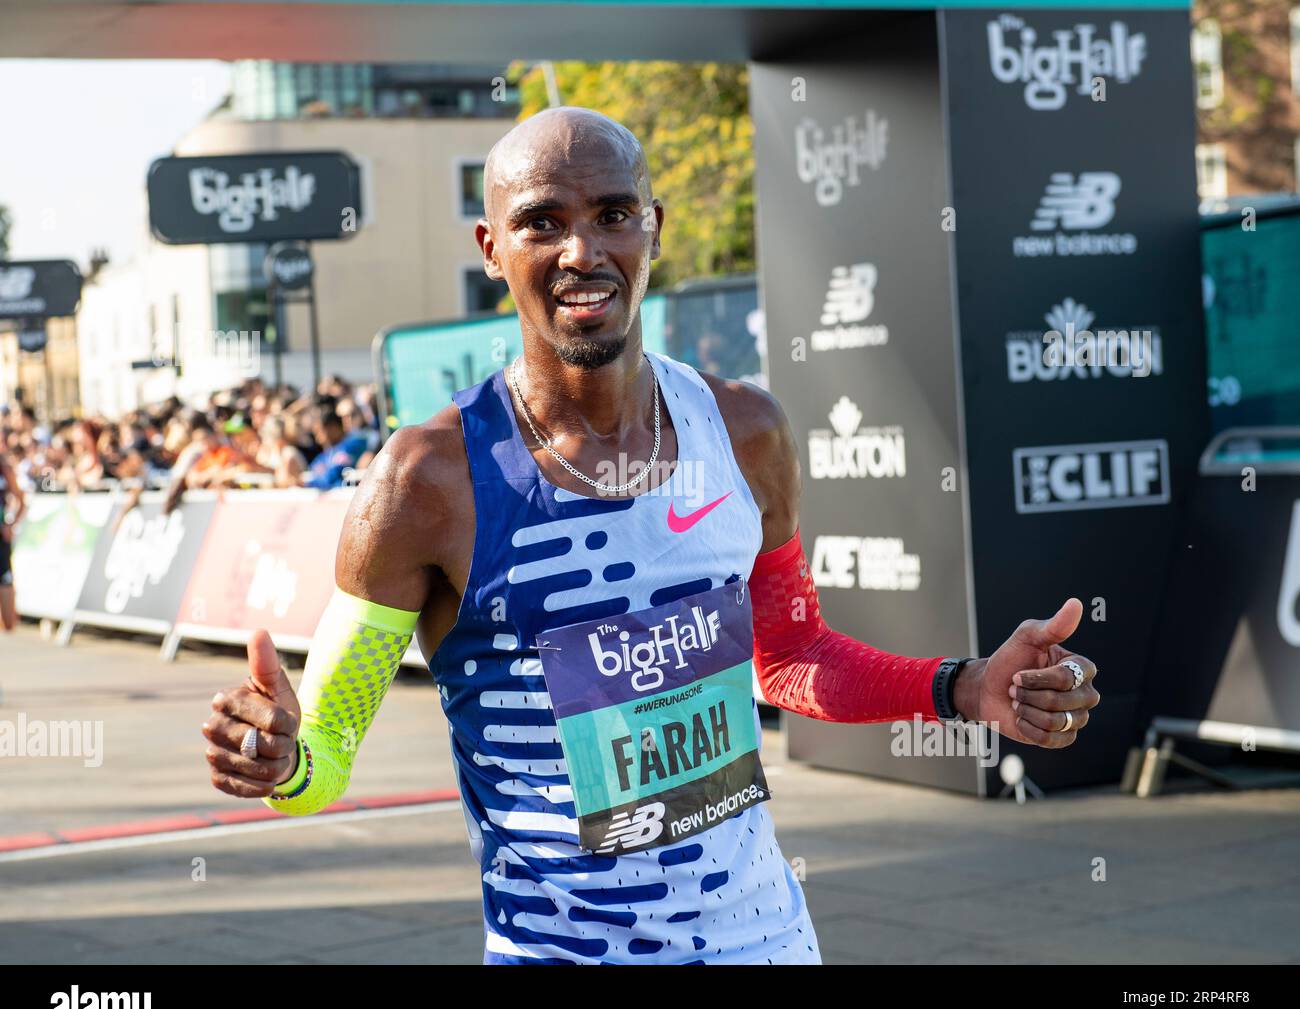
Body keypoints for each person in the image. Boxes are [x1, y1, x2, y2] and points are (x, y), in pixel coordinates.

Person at [202, 107, 1101, 965]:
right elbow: (324, 754)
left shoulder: (744, 429)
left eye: (613, 214)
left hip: (768, 942)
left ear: (654, 228)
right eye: (541, 221)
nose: (581, 251)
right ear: (491, 248)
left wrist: (966, 685)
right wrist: (282, 758)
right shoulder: (425, 481)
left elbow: (787, 656)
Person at [0, 440, 26, 631]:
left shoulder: (3, 468)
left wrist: (11, 523)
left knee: (5, 578)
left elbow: (21, 499)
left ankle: (9, 624)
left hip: (1, 534)